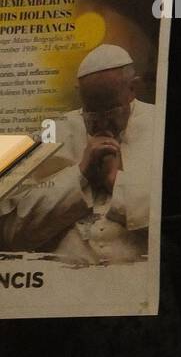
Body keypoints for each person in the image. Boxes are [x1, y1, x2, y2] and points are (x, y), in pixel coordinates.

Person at [0, 43, 155, 263]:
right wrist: (81, 175)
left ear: (133, 89)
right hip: (60, 286)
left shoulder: (161, 125)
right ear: (79, 94)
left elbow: (175, 221)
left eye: (111, 110)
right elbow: (11, 233)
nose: (102, 121)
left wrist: (115, 181)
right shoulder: (54, 133)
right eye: (92, 112)